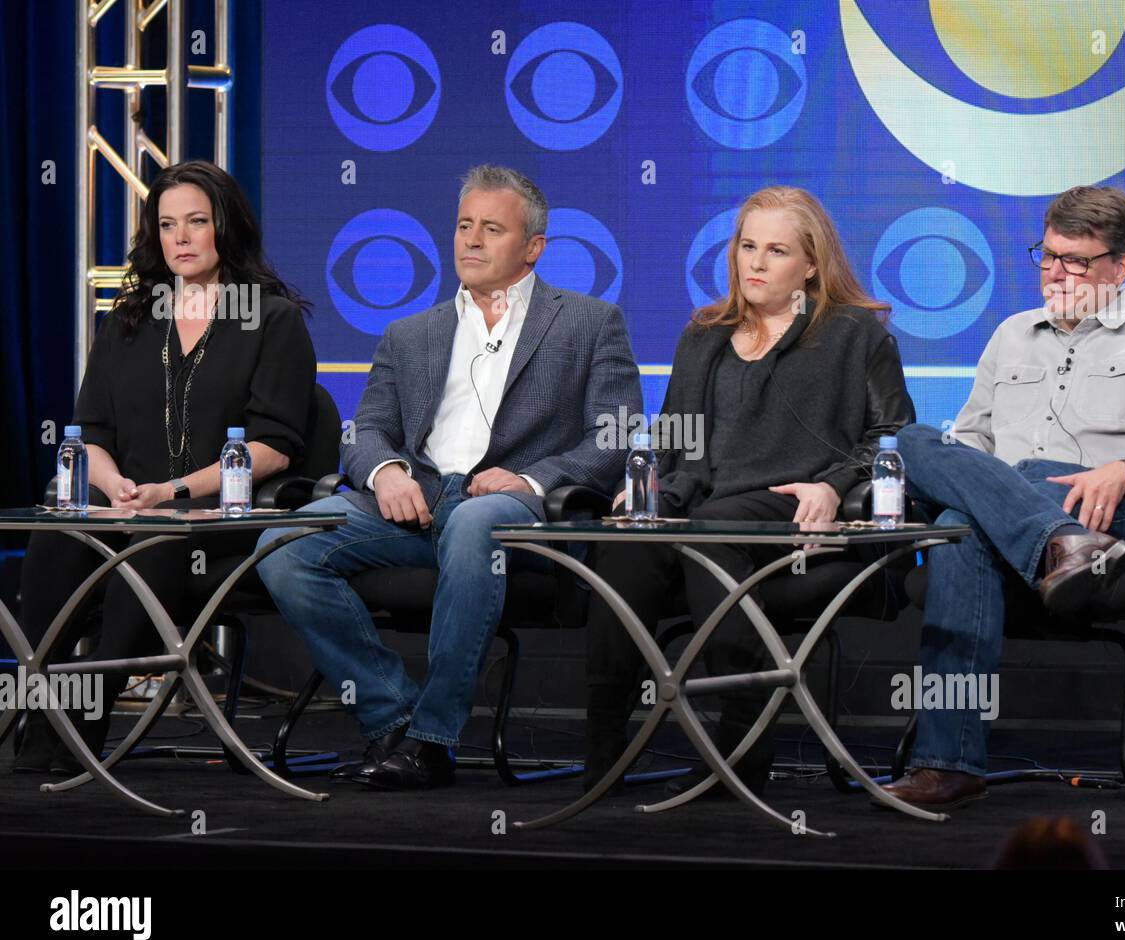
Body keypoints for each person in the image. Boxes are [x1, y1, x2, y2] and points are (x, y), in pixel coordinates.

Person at [256, 165, 642, 790]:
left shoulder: (589, 323)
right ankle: (393, 714)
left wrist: (530, 480)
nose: (472, 240)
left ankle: (433, 742)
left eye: (492, 229)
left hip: (518, 516)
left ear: (532, 247)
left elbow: (614, 435)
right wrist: (384, 472)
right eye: (465, 226)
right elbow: (370, 429)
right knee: (283, 543)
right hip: (418, 503)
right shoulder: (411, 334)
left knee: (473, 523)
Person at [880, 185, 1125, 812]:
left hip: (1115, 516)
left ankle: (947, 764)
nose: (1056, 273)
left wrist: (1124, 470)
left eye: (1077, 261)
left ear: (1121, 266)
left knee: (965, 520)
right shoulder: (1012, 336)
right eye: (1048, 255)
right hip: (1024, 507)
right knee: (912, 442)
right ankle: (1054, 546)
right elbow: (969, 444)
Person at [582, 186, 915, 795]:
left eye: (777, 250)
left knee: (715, 530)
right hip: (703, 501)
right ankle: (603, 754)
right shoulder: (704, 333)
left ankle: (741, 748)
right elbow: (674, 430)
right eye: (748, 246)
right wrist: (646, 477)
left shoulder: (855, 335)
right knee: (625, 546)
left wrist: (835, 485)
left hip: (795, 508)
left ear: (811, 264)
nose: (756, 263)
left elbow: (895, 436)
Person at [13, 160, 316, 773]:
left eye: (196, 222)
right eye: (167, 224)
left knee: (151, 544)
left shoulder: (270, 319)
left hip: (212, 520)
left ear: (224, 229)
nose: (180, 238)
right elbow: (88, 434)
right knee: (56, 545)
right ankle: (39, 723)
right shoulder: (127, 320)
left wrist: (171, 490)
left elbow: (275, 446)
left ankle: (75, 738)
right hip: (123, 504)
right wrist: (114, 484)